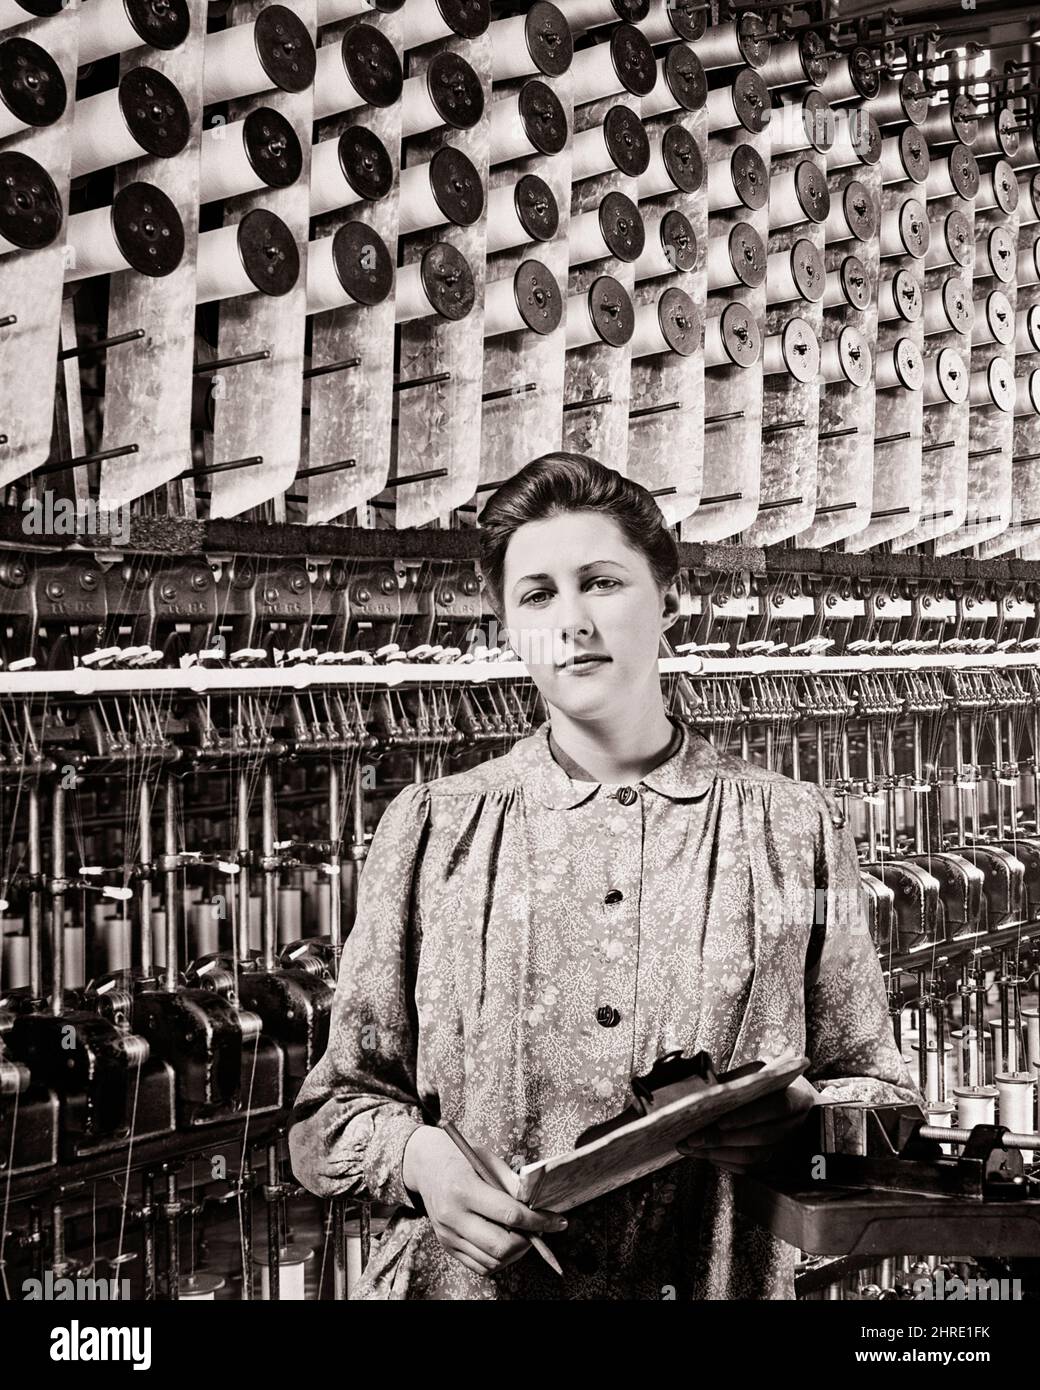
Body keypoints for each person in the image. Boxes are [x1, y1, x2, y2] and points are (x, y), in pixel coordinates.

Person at [288, 451, 921, 1299]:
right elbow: (329, 1116)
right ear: (508, 628)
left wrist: (808, 1115)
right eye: (537, 595)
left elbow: (883, 1091)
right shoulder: (430, 828)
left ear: (669, 601)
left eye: (602, 583)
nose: (573, 621)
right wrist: (418, 1159)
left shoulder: (800, 829)